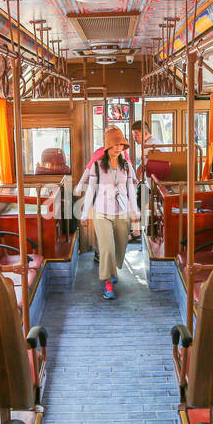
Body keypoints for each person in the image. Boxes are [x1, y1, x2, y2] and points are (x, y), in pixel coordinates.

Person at [76, 126, 140, 299]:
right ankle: (108, 282)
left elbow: (131, 189)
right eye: (115, 144)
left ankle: (113, 271)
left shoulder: (126, 166)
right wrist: (83, 214)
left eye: (121, 144)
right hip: (101, 213)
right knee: (107, 249)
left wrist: (135, 211)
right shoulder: (97, 166)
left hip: (122, 212)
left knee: (119, 248)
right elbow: (90, 190)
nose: (119, 148)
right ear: (107, 146)